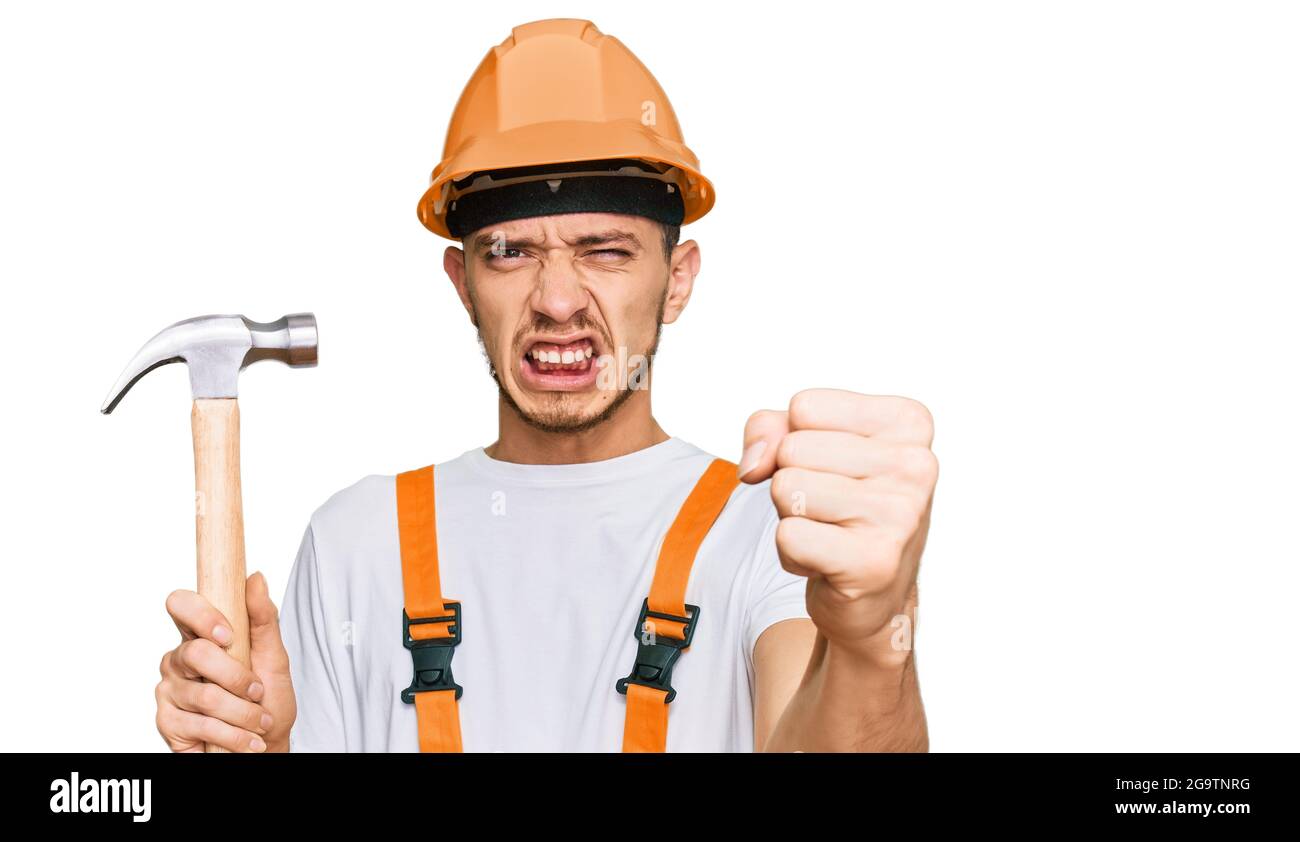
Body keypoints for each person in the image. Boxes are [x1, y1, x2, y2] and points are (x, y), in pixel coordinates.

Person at [153, 18, 937, 753]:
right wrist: (259, 747)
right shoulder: (357, 543)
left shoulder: (771, 530)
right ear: (462, 282)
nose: (557, 301)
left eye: (605, 250)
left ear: (678, 281)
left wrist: (871, 642)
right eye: (509, 251)